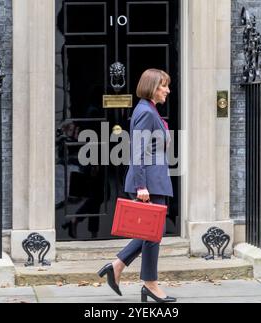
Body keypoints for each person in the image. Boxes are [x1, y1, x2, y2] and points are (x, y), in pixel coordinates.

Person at [98, 69, 176, 303]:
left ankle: (117, 266)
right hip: (148, 183)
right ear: (152, 87)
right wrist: (142, 185)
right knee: (153, 234)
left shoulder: (149, 110)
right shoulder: (145, 112)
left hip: (155, 180)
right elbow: (138, 151)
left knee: (153, 232)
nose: (168, 90)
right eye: (164, 86)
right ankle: (150, 284)